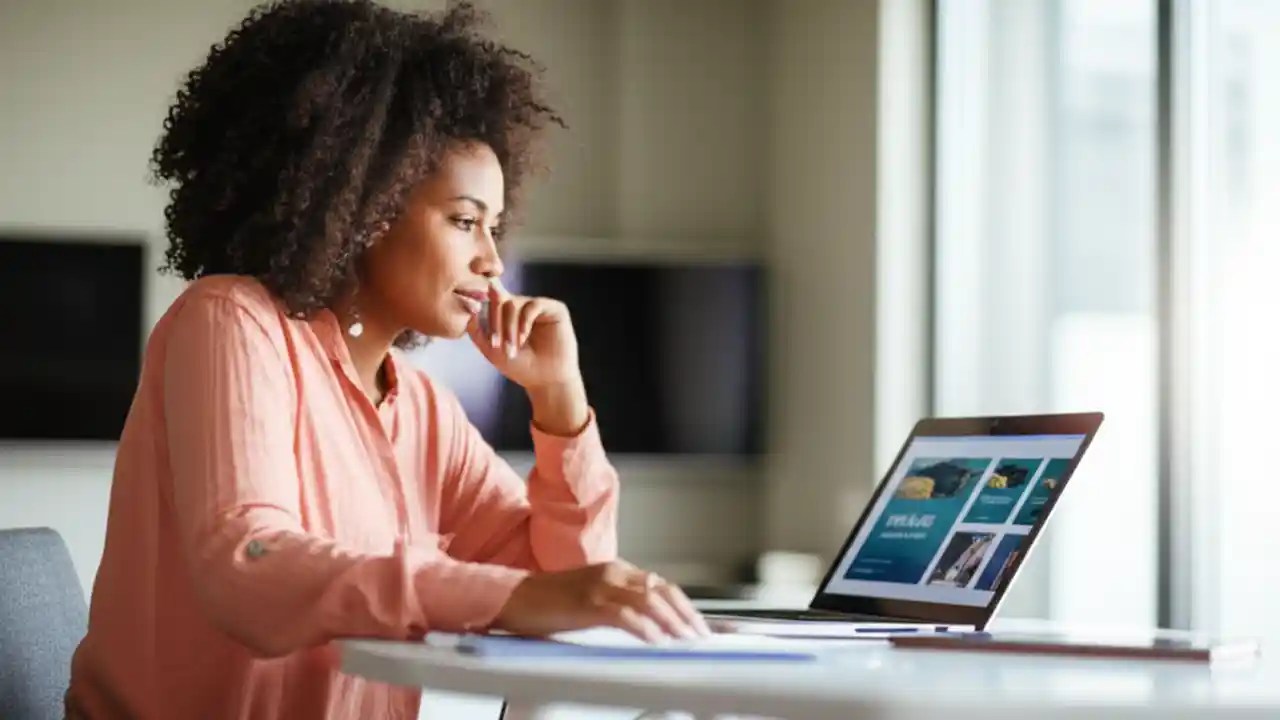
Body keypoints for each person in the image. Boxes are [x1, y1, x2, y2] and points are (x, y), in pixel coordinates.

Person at [65, 2, 709, 717]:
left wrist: (561, 402)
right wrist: (518, 596)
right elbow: (246, 564)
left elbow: (568, 587)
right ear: (366, 210)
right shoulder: (230, 321)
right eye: (465, 222)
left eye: (494, 228)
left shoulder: (423, 411)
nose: (492, 262)